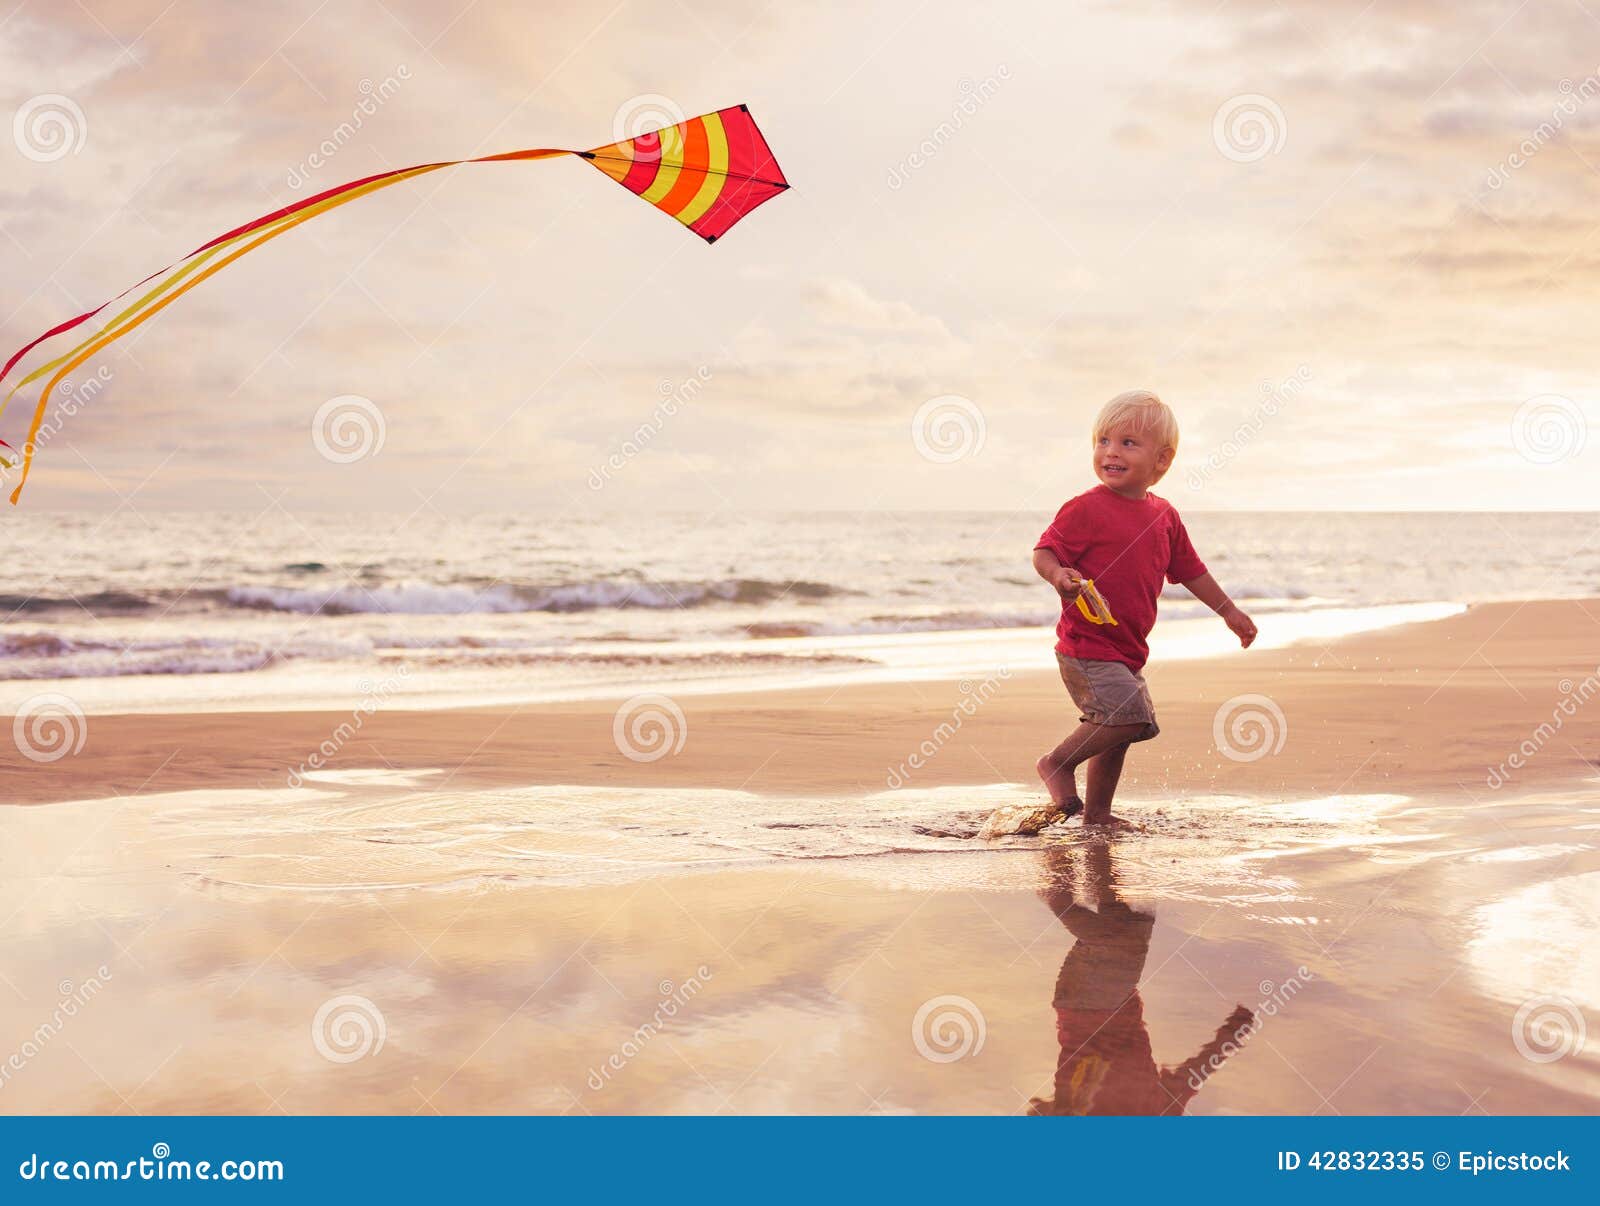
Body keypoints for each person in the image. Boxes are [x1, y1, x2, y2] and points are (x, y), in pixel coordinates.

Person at [1031, 390, 1256, 830]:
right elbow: (1044, 552)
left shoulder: (1164, 516)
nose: (1111, 451)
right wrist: (1058, 576)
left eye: (1128, 443)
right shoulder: (1085, 508)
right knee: (1129, 716)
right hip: (1086, 646)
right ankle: (1057, 763)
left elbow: (1191, 570)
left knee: (1118, 735)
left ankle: (1097, 815)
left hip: (1128, 649)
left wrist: (1229, 611)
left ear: (1162, 460)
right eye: (1103, 441)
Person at [1027, 843, 1255, 1115]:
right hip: (1088, 1004)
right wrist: (1232, 1034)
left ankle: (1056, 869)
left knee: (1128, 934)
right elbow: (1195, 1074)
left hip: (1096, 1004)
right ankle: (1088, 844)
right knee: (1126, 915)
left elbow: (1038, 1114)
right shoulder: (1161, 1113)